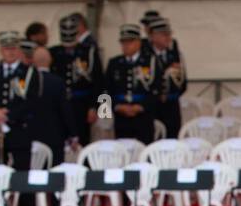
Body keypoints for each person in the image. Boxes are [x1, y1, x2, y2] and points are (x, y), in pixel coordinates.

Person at [0, 31, 35, 168]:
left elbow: (31, 101)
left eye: (13, 48)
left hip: (19, 130)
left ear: (19, 50)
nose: (10, 52)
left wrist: (7, 115)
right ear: (1, 50)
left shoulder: (28, 72)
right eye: (6, 49)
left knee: (21, 172)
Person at [50, 13, 102, 146]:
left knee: (82, 141)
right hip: (59, 105)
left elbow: (98, 82)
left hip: (82, 105)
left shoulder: (88, 52)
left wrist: (94, 107)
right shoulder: (54, 53)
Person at [105, 24, 161, 144]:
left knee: (144, 147)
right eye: (123, 42)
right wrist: (116, 106)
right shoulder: (114, 63)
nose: (125, 46)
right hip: (121, 117)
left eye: (129, 42)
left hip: (143, 116)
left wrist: (141, 106)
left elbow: (157, 89)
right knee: (122, 148)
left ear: (138, 42)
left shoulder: (150, 62)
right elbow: (106, 90)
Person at [22, 40, 74, 165]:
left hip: (31, 134)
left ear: (33, 60)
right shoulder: (57, 81)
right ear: (50, 60)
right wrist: (73, 133)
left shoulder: (25, 81)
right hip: (54, 135)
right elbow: (65, 110)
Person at [146, 17, 185, 140]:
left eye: (169, 34)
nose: (168, 38)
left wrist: (171, 95)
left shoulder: (175, 55)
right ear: (153, 36)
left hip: (171, 107)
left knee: (172, 140)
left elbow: (183, 83)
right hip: (153, 106)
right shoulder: (145, 56)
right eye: (164, 35)